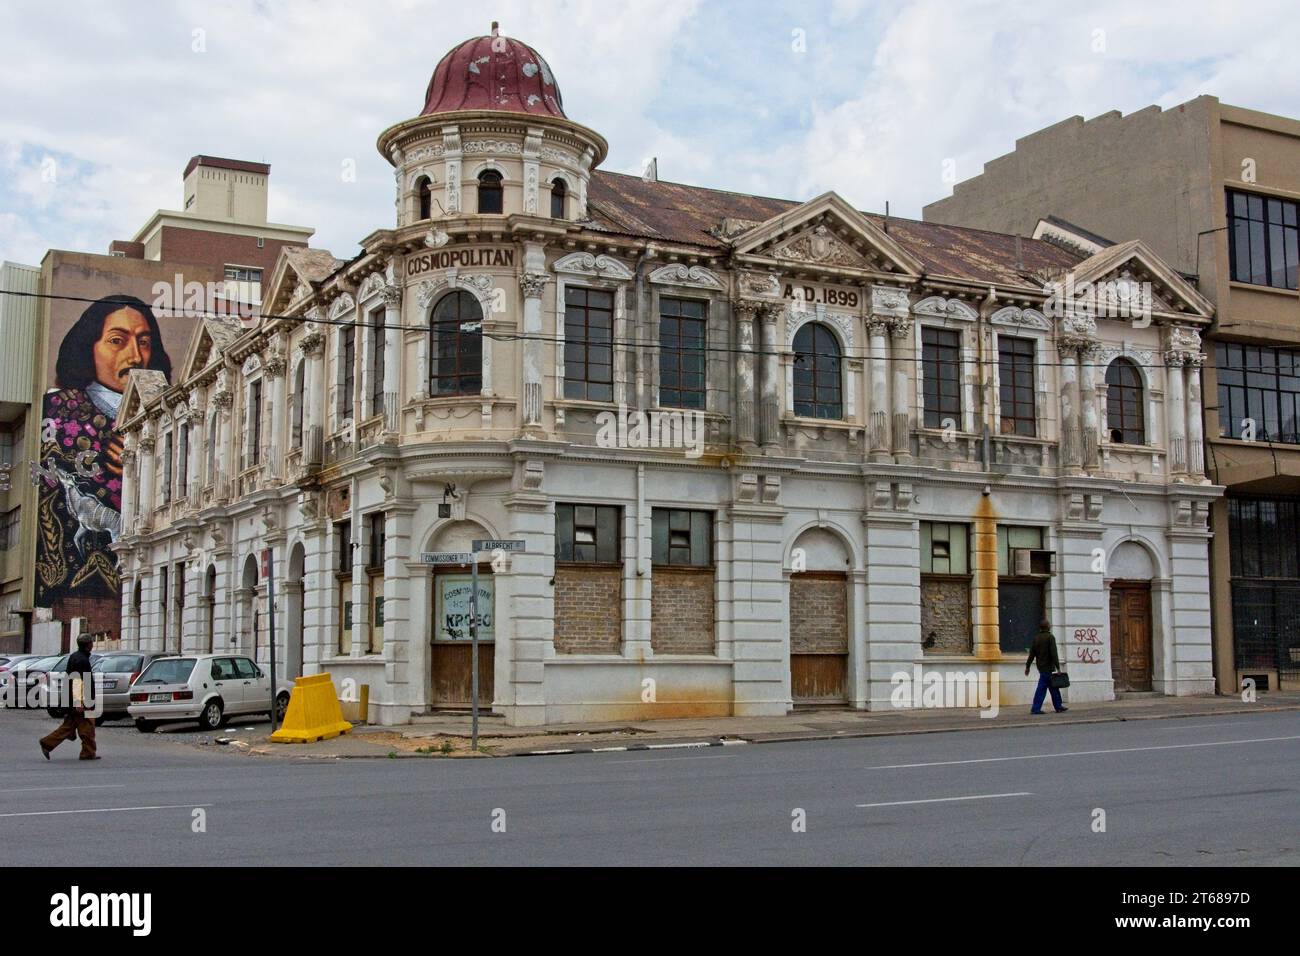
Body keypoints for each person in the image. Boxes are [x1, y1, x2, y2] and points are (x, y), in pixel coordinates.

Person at [35, 295, 173, 605]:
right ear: (89, 346)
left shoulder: (166, 414)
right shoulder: (60, 410)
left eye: (145, 342)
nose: (135, 356)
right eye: (117, 341)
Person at [39, 634, 101, 760]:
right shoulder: (82, 660)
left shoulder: (75, 656)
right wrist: (79, 702)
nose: (92, 644)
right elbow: (78, 681)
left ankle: (47, 743)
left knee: (69, 726)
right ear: (88, 644)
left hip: (72, 698)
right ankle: (88, 752)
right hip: (80, 699)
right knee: (87, 727)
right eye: (91, 642)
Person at [1024, 623, 1068, 715]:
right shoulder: (1050, 637)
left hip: (1041, 667)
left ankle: (1058, 706)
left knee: (1053, 687)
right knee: (1043, 688)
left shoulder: (1036, 638)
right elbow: (1054, 653)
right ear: (1048, 627)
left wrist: (1027, 666)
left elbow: (1032, 654)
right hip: (1048, 667)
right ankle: (1036, 708)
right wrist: (1058, 667)